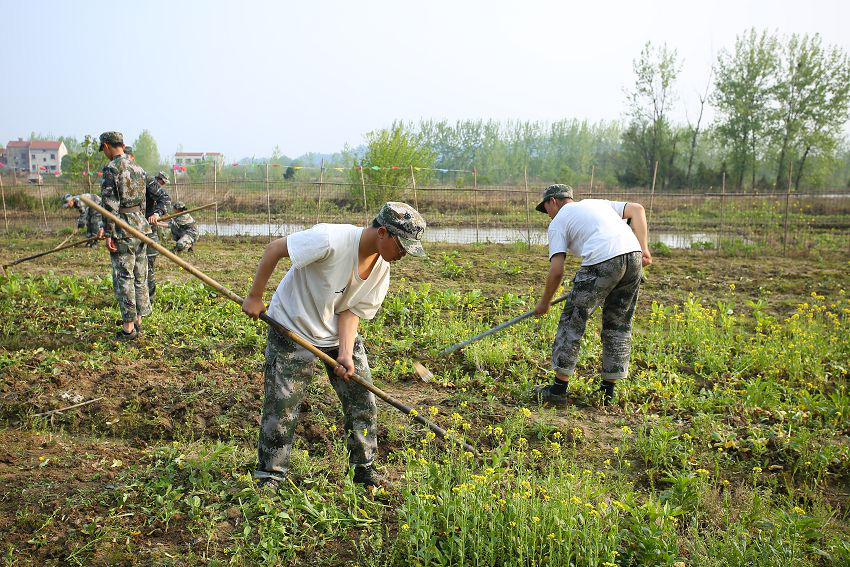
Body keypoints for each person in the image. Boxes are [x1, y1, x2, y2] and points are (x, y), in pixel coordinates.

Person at [241, 202, 427, 489]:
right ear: (382, 233)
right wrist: (255, 296)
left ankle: (363, 470)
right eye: (402, 245)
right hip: (292, 326)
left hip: (334, 334)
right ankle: (270, 476)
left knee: (362, 400)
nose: (403, 254)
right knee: (283, 407)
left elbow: (350, 310)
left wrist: (344, 352)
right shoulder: (330, 239)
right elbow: (274, 249)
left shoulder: (381, 270)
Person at [531, 184, 652, 406]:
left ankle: (557, 391)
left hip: (603, 260)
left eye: (545, 208)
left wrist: (544, 303)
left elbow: (557, 271)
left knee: (572, 320)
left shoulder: (557, 222)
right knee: (618, 322)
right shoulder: (596, 204)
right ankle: (608, 392)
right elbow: (637, 209)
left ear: (553, 202)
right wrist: (644, 248)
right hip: (634, 257)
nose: (547, 214)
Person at [97, 131, 152, 341]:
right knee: (140, 276)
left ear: (107, 147)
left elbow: (110, 204)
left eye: (103, 149)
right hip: (141, 227)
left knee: (124, 278)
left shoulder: (112, 169)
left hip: (123, 229)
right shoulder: (138, 168)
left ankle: (128, 328)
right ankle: (138, 320)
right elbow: (144, 200)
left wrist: (109, 232)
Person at [143, 172, 171, 303]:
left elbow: (165, 199)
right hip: (132, 230)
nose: (162, 185)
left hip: (149, 231)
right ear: (159, 179)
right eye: (163, 182)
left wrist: (157, 213)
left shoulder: (149, 183)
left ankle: (150, 300)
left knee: (149, 266)